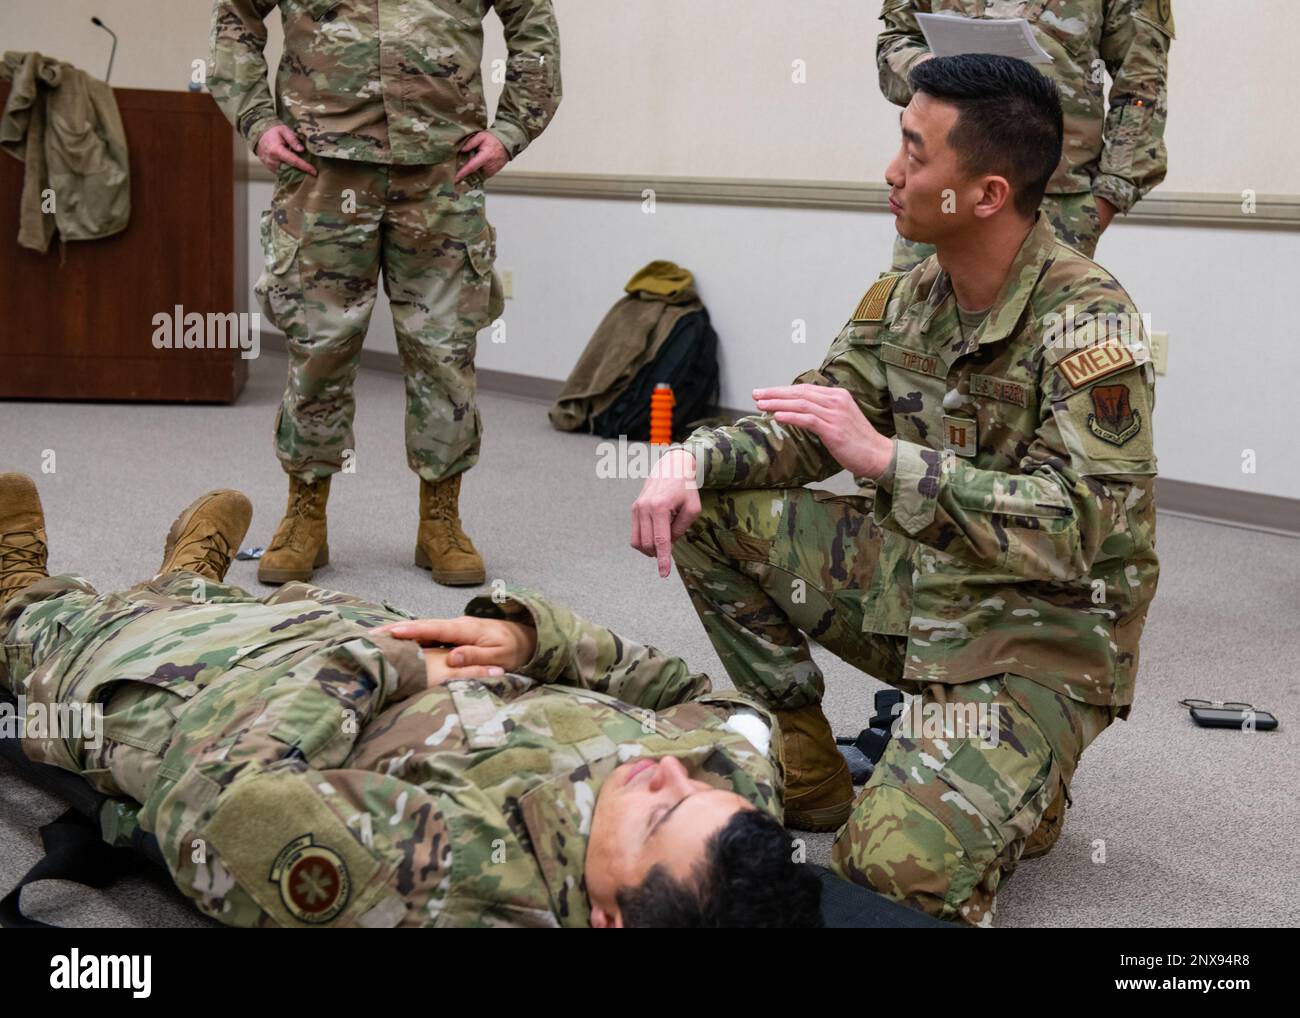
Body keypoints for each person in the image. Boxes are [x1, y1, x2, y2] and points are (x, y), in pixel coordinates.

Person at [630, 54, 1158, 926]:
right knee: (707, 507)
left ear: (986, 194)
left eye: (915, 152)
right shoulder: (908, 295)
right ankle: (809, 757)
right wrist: (695, 458)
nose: (891, 170)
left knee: (884, 879)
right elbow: (816, 422)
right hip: (927, 582)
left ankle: (1028, 769)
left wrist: (883, 461)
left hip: (1043, 630)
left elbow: (1081, 528)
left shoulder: (1088, 319)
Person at [0, 473, 821, 928]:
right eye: (693, 790)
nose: (664, 775)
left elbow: (211, 801)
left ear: (608, 920)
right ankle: (182, 582)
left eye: (655, 817)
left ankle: (24, 593)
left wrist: (376, 671)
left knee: (64, 646)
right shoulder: (729, 803)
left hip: (225, 700)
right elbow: (711, 703)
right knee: (245, 604)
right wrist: (539, 642)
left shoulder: (444, 881)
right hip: (360, 638)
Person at [208, 0, 562, 586]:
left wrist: (513, 128)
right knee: (319, 348)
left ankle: (440, 521)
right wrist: (254, 118)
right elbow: (235, 19)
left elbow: (534, 25)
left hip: (442, 172)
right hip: (321, 168)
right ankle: (305, 515)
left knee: (444, 351)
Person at [877, 0, 1174, 270]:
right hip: (939, 191)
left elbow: (1141, 87)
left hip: (1054, 203)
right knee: (911, 319)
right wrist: (933, 71)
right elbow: (895, 41)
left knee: (1045, 324)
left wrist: (1107, 197)